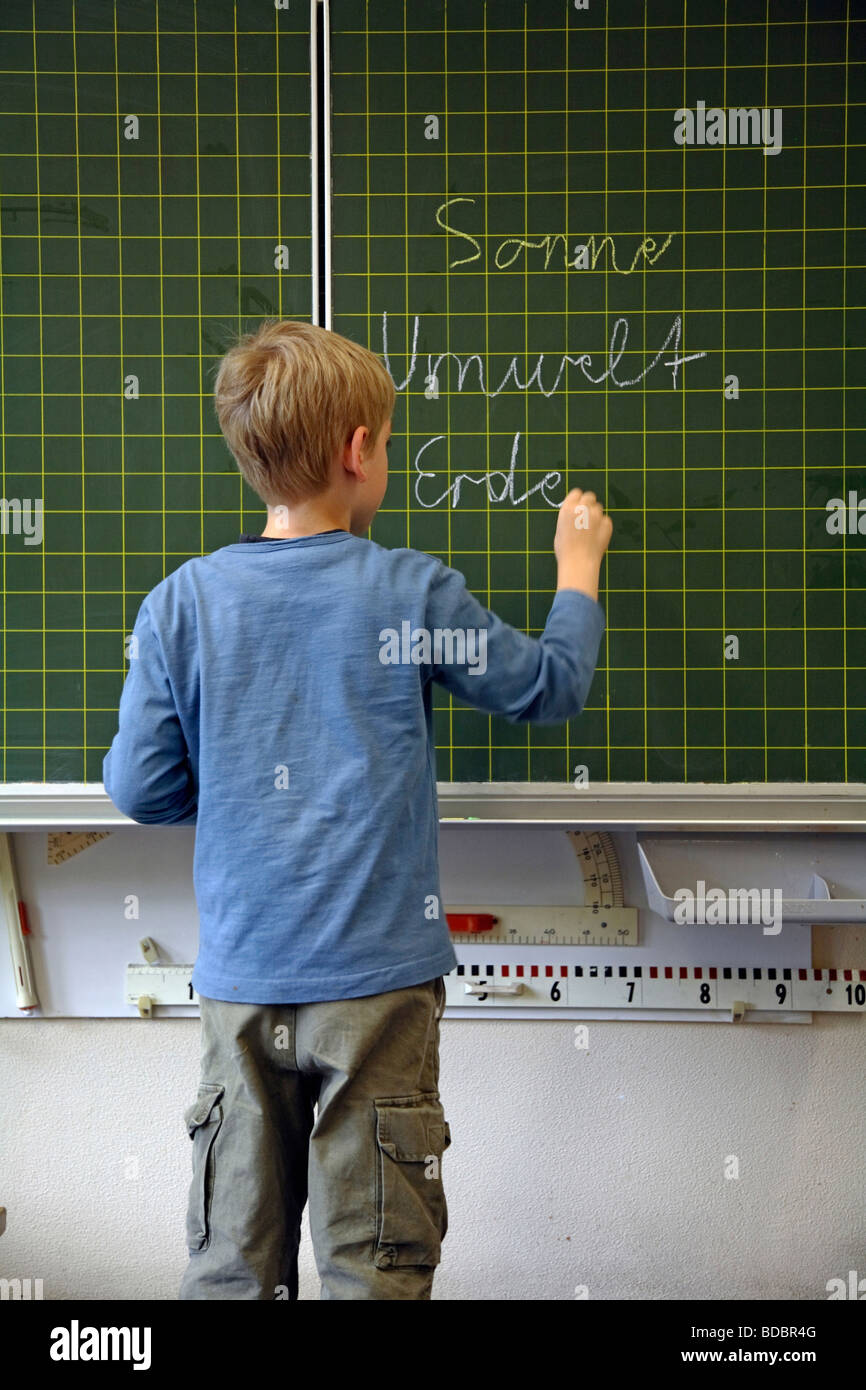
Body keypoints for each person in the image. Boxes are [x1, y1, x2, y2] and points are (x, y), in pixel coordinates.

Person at [102, 318, 612, 1300]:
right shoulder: (409, 593)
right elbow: (546, 687)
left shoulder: (179, 606)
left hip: (244, 981)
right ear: (358, 451)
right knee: (374, 1269)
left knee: (229, 1272)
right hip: (377, 989)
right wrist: (576, 568)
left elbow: (142, 789)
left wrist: (244, 767)